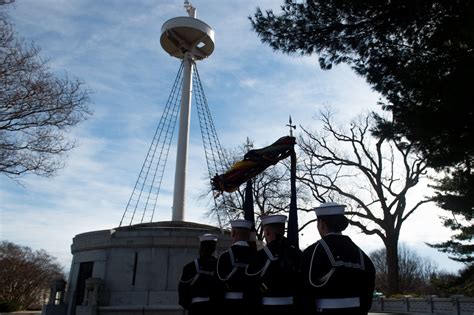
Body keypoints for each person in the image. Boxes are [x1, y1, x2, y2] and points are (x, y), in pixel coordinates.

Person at [300, 202, 375, 314]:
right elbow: (369, 285)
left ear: (321, 224)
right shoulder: (360, 254)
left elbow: (303, 292)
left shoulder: (312, 252)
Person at [246, 214, 302, 315]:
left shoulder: (260, 256)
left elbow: (251, 286)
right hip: (293, 308)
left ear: (266, 232)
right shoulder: (297, 254)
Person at [216, 219, 255, 315]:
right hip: (250, 304)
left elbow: (218, 286)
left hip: (229, 305)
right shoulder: (258, 256)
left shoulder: (224, 256)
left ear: (233, 233)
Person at [178, 233, 222, 315]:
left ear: (201, 247)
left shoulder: (189, 267)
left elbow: (182, 292)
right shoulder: (220, 267)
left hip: (196, 308)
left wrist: (190, 305)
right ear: (214, 249)